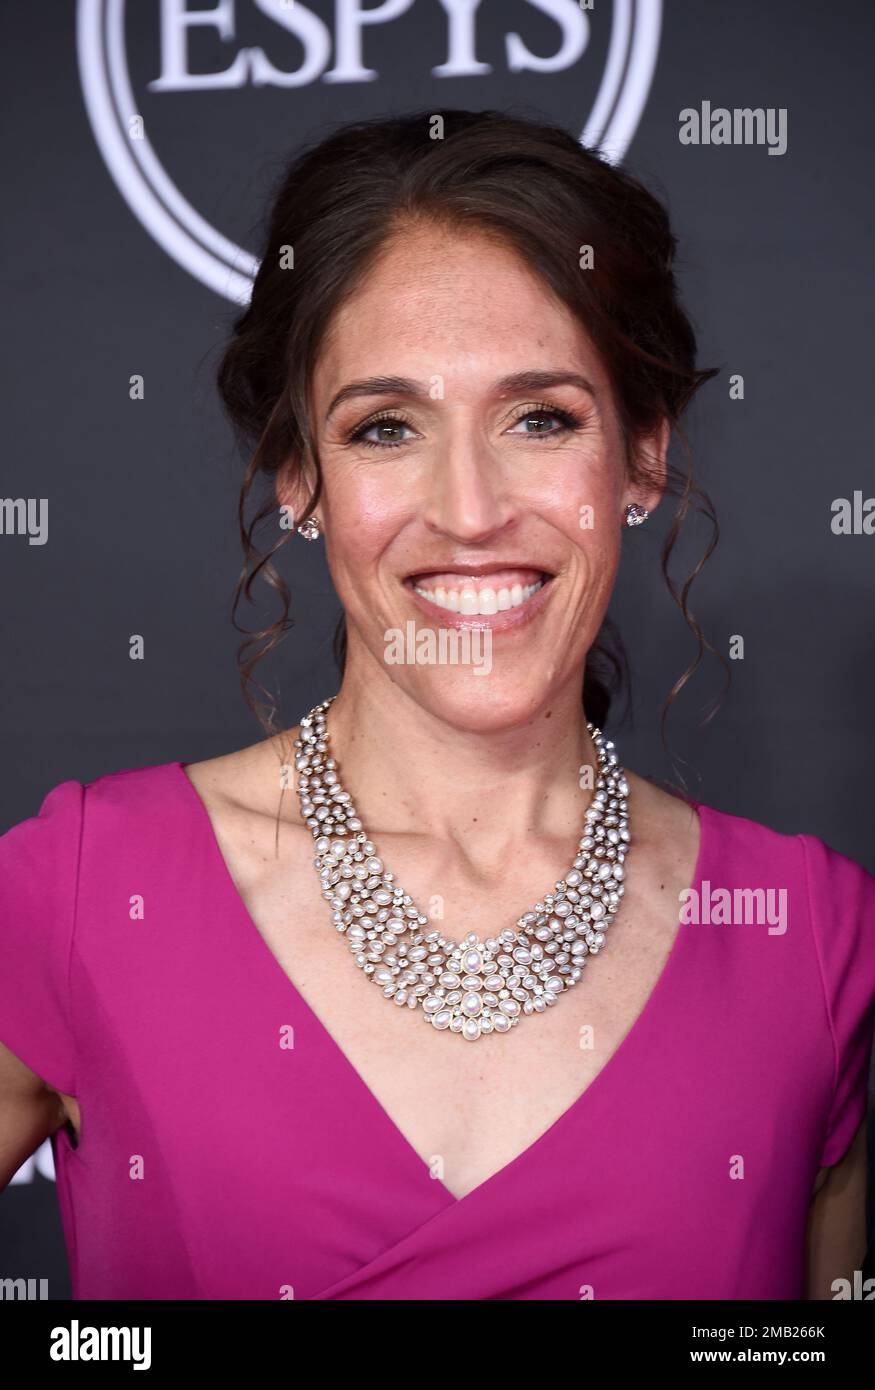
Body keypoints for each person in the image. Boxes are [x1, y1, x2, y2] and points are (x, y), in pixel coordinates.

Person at [1, 109, 873, 1301]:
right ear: (300, 476)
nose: (467, 508)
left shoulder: (810, 941)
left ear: (643, 450)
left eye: (539, 418)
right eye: (386, 427)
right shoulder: (82, 892)